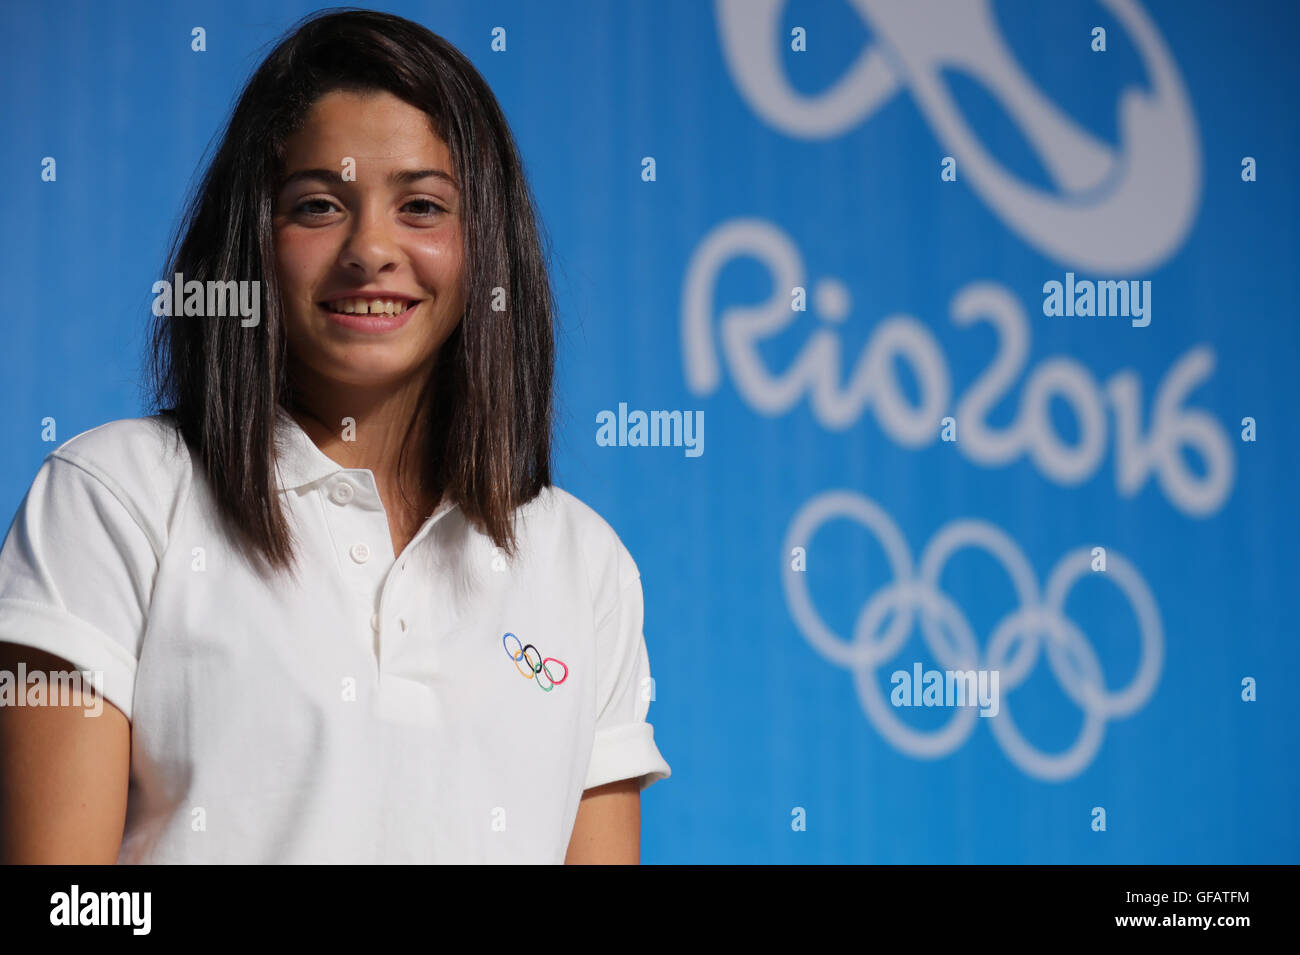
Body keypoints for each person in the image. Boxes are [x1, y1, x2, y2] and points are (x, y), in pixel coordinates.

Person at [0, 8, 669, 864]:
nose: (371, 249)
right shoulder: (115, 496)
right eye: (318, 205)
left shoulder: (585, 566)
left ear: (488, 247)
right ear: (251, 241)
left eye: (422, 206)